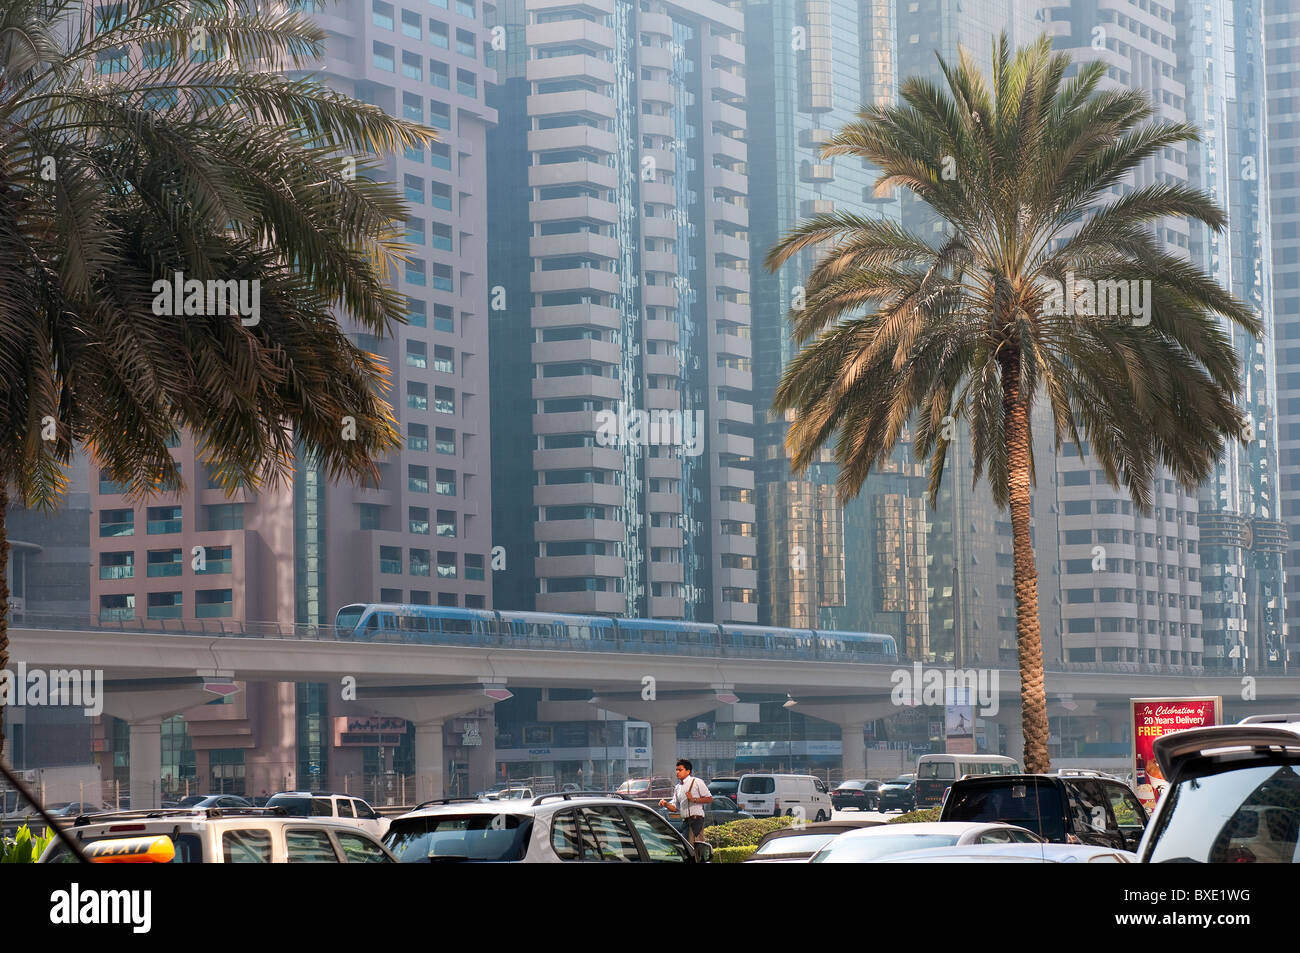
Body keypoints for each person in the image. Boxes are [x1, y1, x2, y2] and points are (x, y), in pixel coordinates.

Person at [658, 758, 712, 845]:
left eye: (680, 770)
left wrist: (693, 799)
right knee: (687, 848)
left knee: (695, 847)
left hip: (696, 820)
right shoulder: (678, 787)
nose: (677, 772)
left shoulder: (697, 782)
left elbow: (709, 798)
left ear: (688, 771)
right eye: (676, 770)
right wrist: (666, 804)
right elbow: (675, 808)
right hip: (685, 821)